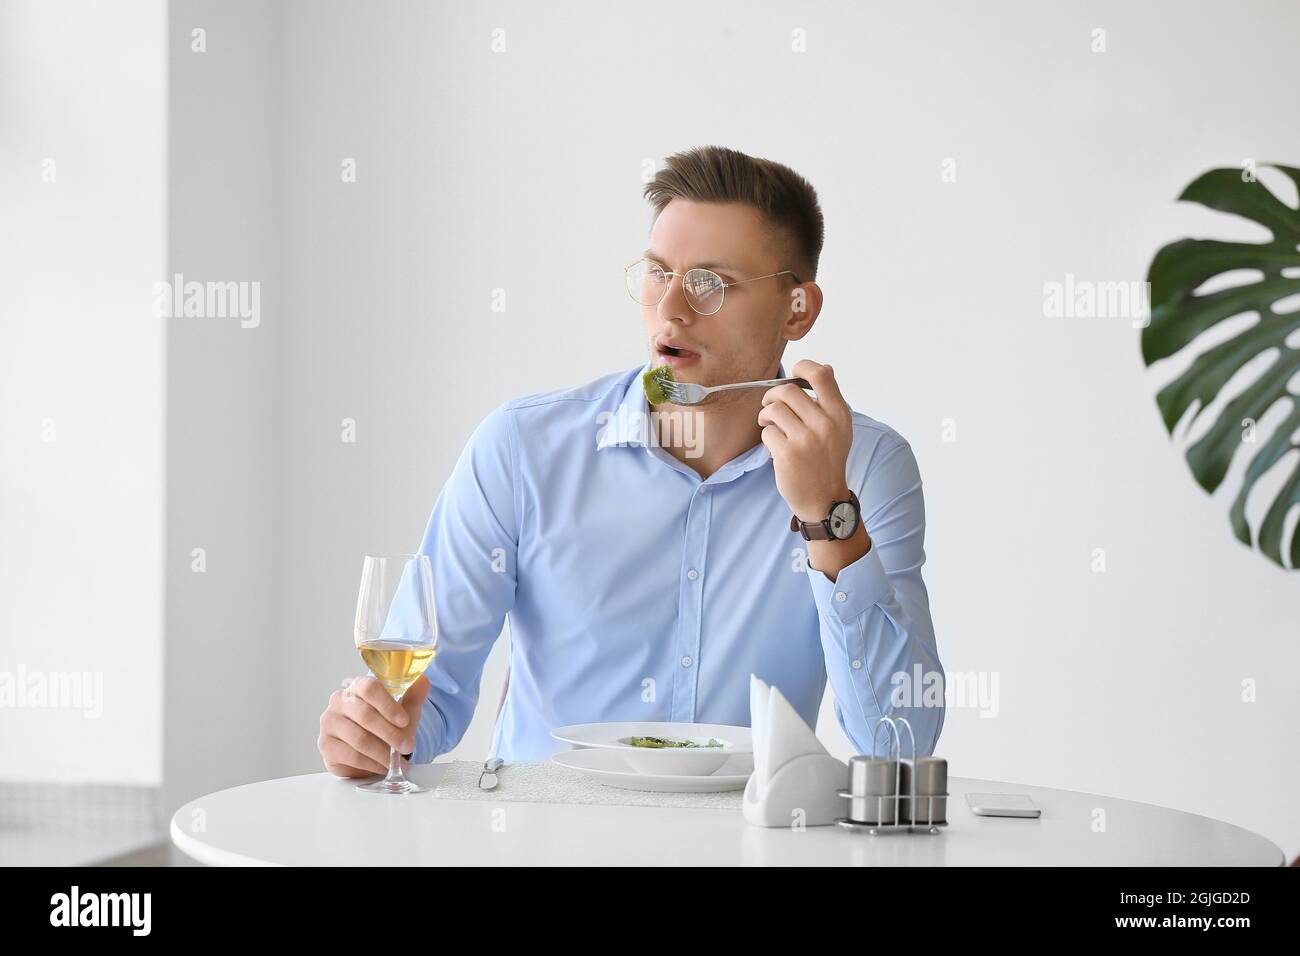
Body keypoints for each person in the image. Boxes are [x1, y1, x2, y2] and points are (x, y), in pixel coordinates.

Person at [318, 145, 945, 778]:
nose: (671, 309)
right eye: (657, 274)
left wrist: (828, 515)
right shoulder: (521, 449)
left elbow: (898, 743)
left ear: (797, 309)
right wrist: (373, 734)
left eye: (710, 284)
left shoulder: (865, 467)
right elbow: (423, 703)